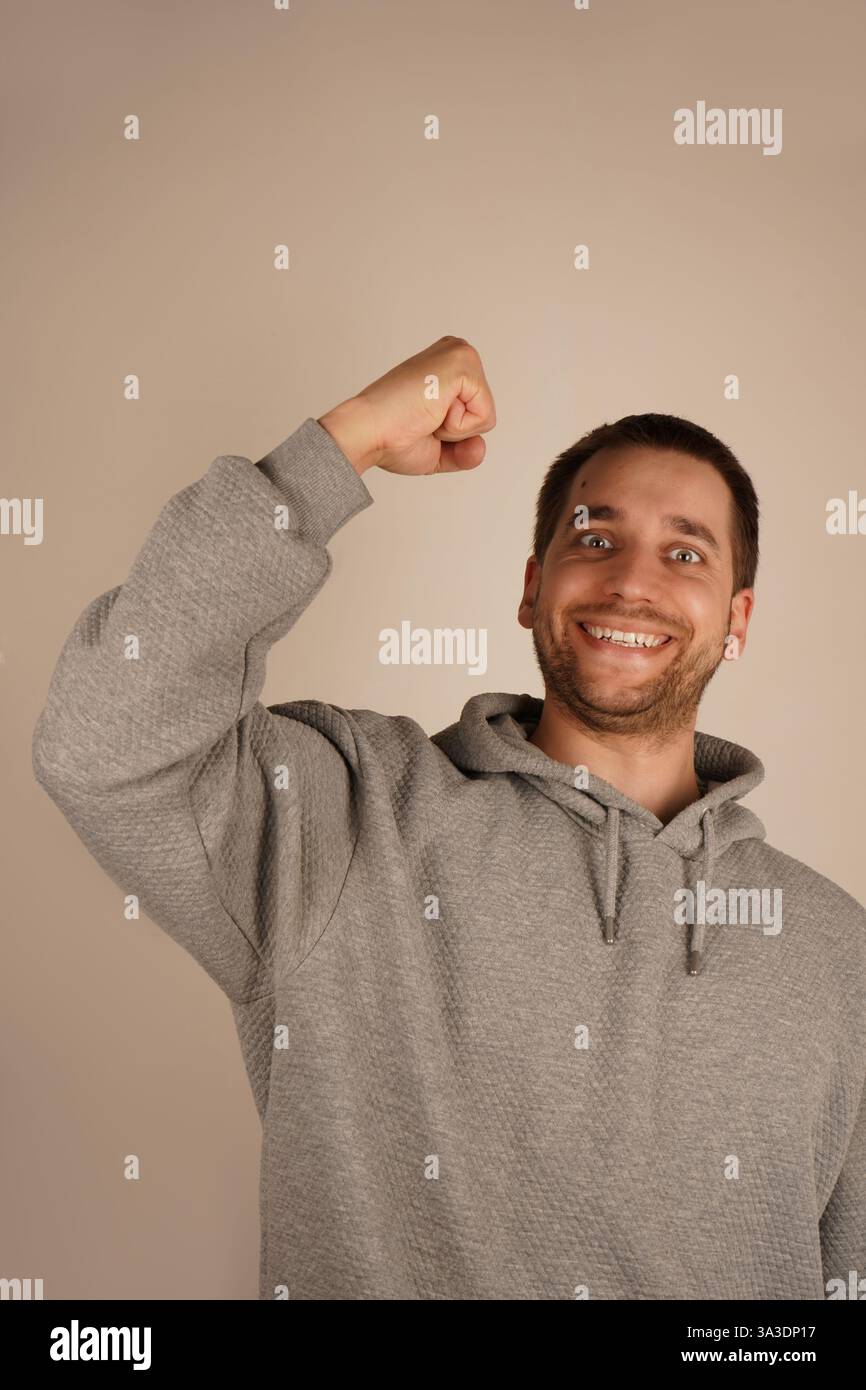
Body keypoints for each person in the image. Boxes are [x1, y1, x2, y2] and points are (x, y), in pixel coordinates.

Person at [32, 335, 865, 1300]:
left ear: (738, 621)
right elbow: (107, 740)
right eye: (595, 539)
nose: (632, 582)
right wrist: (340, 446)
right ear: (532, 588)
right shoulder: (349, 821)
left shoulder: (836, 953)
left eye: (685, 553)